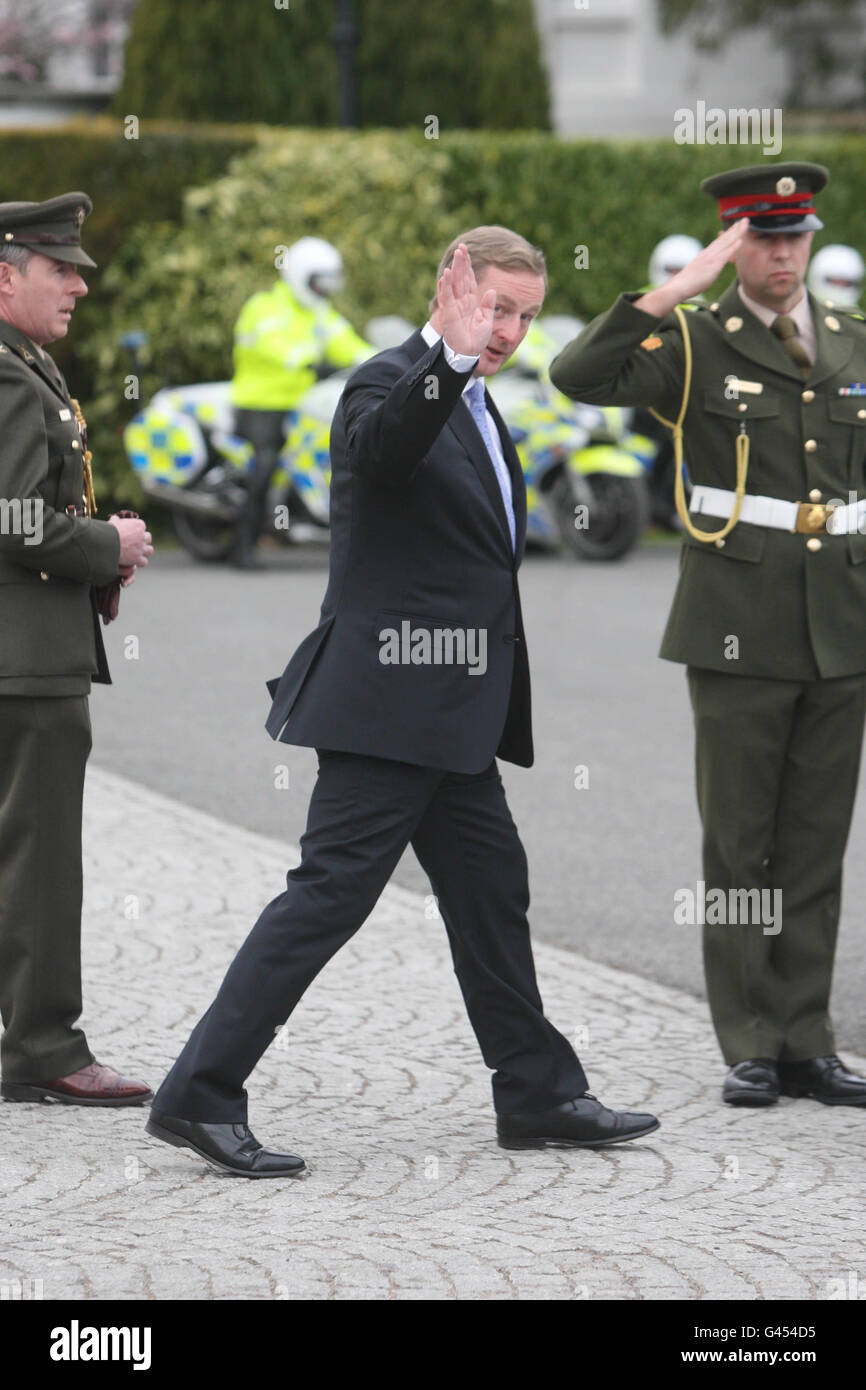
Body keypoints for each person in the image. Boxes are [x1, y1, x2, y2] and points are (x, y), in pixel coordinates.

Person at [146, 226, 660, 1177]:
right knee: (328, 898)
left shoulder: (480, 404)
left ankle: (538, 1095)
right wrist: (449, 356)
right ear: (451, 291)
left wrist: (466, 367)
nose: (506, 331)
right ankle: (199, 1094)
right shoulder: (388, 382)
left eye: (524, 316)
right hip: (389, 705)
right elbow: (384, 454)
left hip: (451, 716)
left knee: (492, 891)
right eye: (495, 307)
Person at [550, 162, 866, 1109]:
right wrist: (676, 290)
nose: (781, 256)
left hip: (844, 625)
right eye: (761, 240)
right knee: (740, 845)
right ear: (732, 245)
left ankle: (809, 1036)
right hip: (738, 624)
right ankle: (751, 1039)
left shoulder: (854, 342)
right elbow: (578, 375)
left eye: (793, 237)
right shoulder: (693, 340)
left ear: (812, 240)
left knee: (816, 844)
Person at [0, 193, 154, 1107]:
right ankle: (45, 1048)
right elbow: (18, 520)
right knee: (42, 856)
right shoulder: (14, 376)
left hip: (28, 647)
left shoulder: (24, 365)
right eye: (59, 271)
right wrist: (110, 546)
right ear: (5, 275)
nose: (76, 289)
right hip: (28, 661)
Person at [229, 237, 372, 568]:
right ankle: (242, 547)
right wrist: (310, 360)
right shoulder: (264, 307)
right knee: (264, 466)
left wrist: (384, 361)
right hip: (260, 403)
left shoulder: (318, 312)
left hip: (301, 404)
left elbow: (347, 342)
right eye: (318, 281)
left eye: (328, 282)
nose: (324, 290)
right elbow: (272, 345)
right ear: (300, 276)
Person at [807, 243, 864, 309]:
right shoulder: (800, 313)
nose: (840, 287)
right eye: (834, 281)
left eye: (846, 283)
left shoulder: (857, 318)